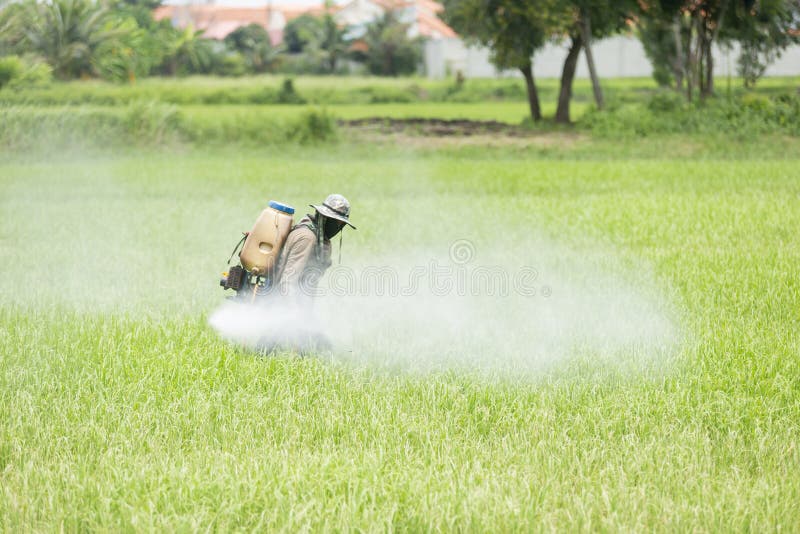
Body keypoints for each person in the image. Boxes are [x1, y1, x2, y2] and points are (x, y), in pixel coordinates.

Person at [272, 193, 356, 312]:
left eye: (342, 224)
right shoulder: (307, 238)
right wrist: (293, 317)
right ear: (325, 218)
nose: (339, 227)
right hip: (281, 306)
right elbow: (287, 282)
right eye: (337, 222)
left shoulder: (321, 242)